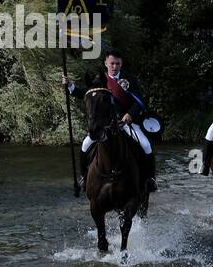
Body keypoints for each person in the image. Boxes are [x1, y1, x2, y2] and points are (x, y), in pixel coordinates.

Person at [62, 50, 157, 193]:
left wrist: (129, 115)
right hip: (106, 125)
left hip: (126, 123)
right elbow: (86, 94)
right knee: (85, 144)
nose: (114, 66)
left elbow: (139, 102)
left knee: (146, 145)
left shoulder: (130, 80)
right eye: (112, 63)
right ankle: (83, 177)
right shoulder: (100, 80)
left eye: (117, 63)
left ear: (121, 64)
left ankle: (150, 179)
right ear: (106, 63)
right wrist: (70, 85)